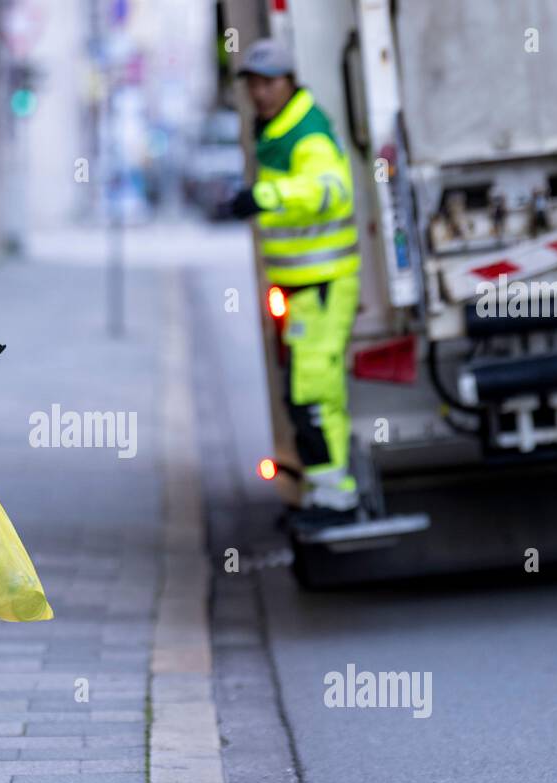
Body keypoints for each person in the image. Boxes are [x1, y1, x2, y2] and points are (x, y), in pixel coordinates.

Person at [220, 38, 362, 529]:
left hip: (321, 284)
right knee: (308, 396)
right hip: (304, 286)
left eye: (269, 82)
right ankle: (326, 494)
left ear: (289, 81)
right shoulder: (277, 128)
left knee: (311, 397)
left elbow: (332, 191)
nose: (260, 92)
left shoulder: (306, 132)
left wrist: (265, 194)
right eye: (254, 84)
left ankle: (334, 500)